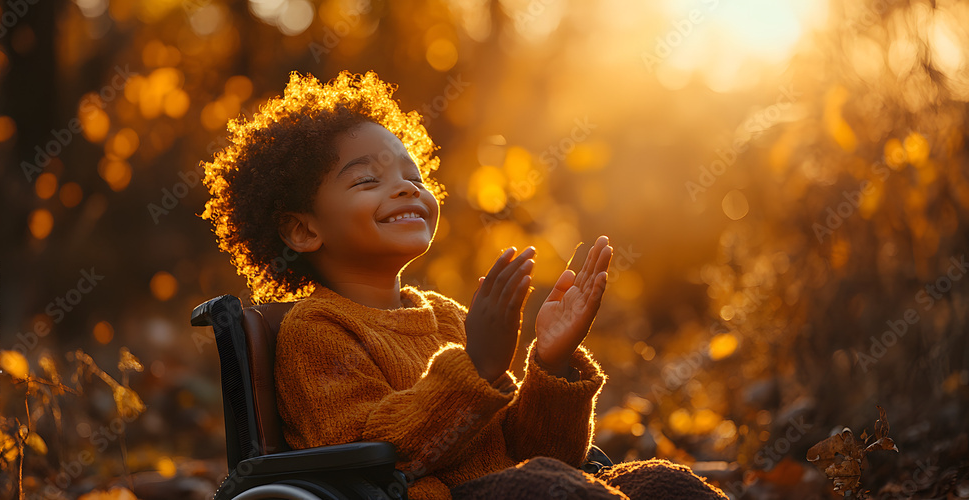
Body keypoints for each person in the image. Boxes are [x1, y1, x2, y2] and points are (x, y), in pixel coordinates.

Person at [200, 70, 728, 500]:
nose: (406, 188)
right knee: (548, 489)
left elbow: (540, 454)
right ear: (303, 230)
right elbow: (379, 455)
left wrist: (551, 363)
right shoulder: (315, 331)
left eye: (414, 177)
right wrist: (476, 367)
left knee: (663, 484)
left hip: (516, 487)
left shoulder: (448, 317)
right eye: (367, 180)